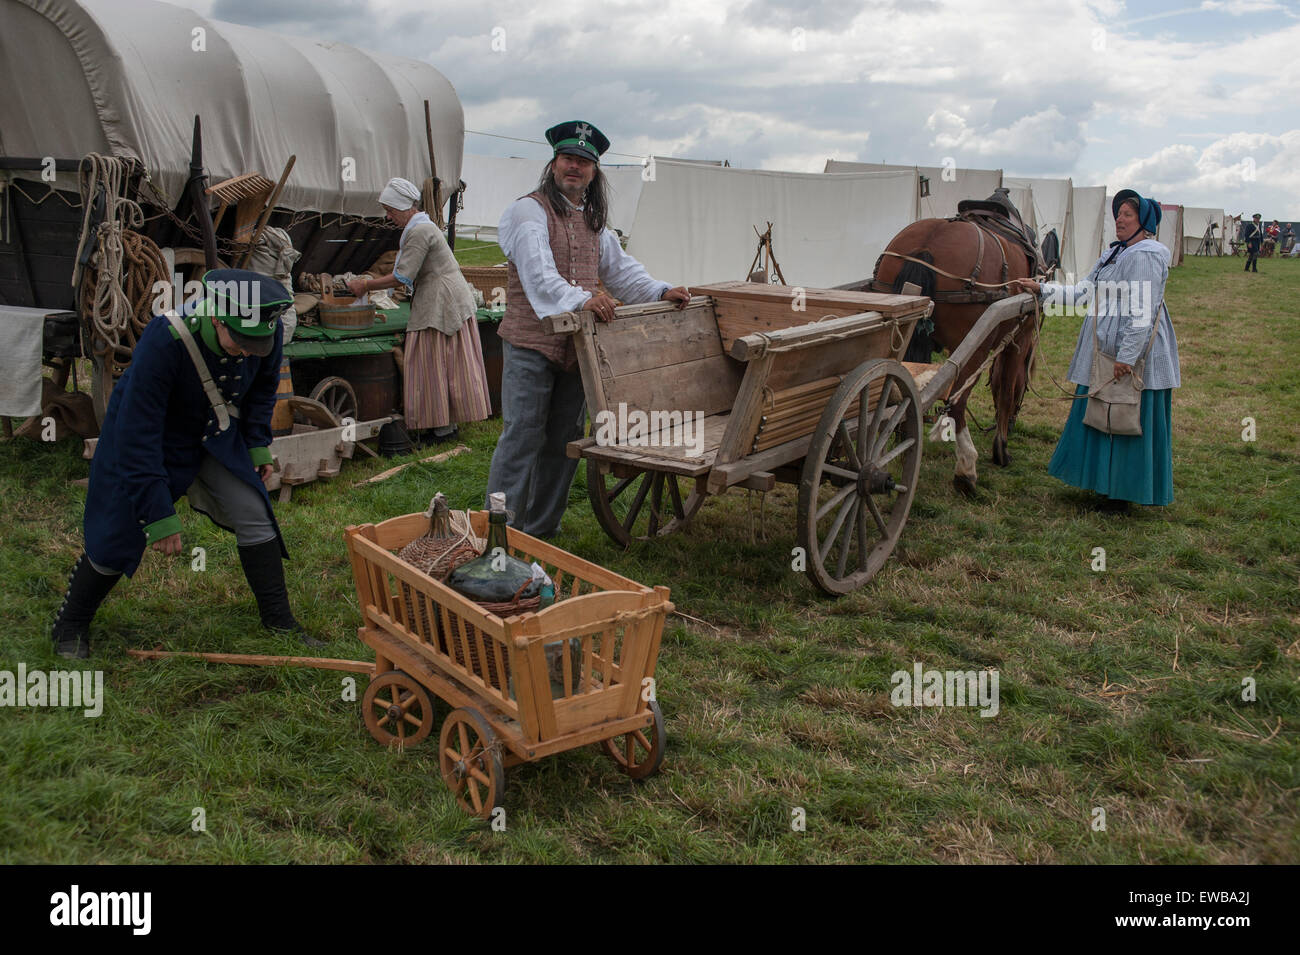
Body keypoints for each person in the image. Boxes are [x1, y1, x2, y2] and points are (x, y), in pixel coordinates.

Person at [50, 269, 323, 658]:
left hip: (213, 435)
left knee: (253, 513)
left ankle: (280, 622)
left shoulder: (265, 330)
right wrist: (158, 516)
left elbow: (263, 389)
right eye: (240, 341)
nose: (248, 351)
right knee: (117, 533)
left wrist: (258, 445)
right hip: (147, 440)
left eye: (256, 343)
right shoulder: (165, 339)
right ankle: (70, 625)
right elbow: (137, 433)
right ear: (216, 318)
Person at [486, 121, 689, 537]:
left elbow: (622, 272)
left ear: (595, 172)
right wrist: (583, 299)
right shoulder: (529, 211)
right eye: (567, 159)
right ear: (554, 164)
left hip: (574, 351)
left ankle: (541, 532)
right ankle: (498, 530)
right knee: (520, 439)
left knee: (563, 442)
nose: (574, 167)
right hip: (531, 345)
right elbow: (538, 275)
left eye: (583, 161)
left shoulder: (594, 221)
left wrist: (661, 291)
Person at [1013, 190, 1180, 509]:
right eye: (1118, 213)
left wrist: (1127, 358)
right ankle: (1104, 485)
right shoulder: (1115, 254)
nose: (1119, 218)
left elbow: (1142, 312)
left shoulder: (1145, 254)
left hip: (1129, 352)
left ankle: (1124, 491)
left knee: (1125, 415)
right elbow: (1082, 294)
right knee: (1103, 414)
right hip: (1108, 349)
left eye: (1128, 214)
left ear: (1143, 222)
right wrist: (1042, 288)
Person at [347, 178, 491, 444]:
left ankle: (442, 429)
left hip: (442, 301)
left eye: (390, 210)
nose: (389, 217)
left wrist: (365, 285)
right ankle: (441, 425)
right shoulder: (419, 227)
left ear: (404, 207)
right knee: (439, 364)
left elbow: (401, 276)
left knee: (435, 363)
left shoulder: (420, 231)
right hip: (439, 296)